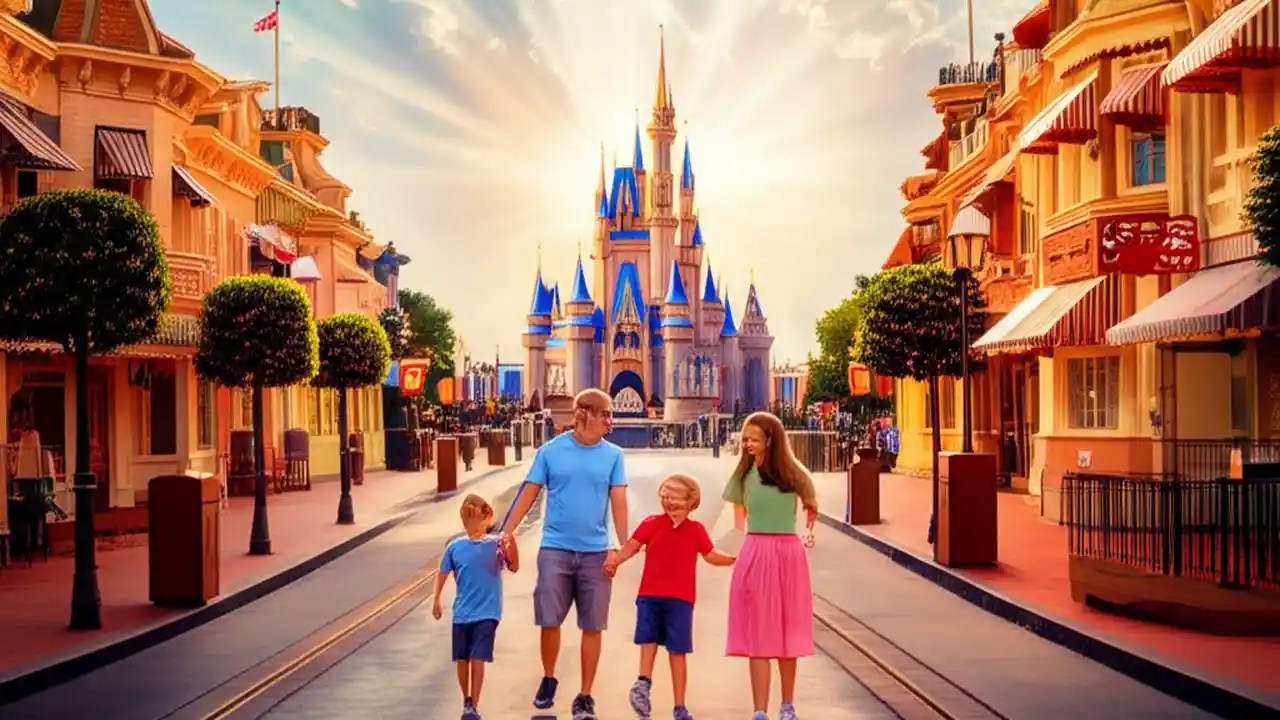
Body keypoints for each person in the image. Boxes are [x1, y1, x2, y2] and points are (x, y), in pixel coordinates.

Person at [499, 388, 629, 720]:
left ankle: (585, 695)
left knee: (593, 625)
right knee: (549, 619)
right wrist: (507, 530)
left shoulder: (613, 455)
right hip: (555, 549)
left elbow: (618, 502)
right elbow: (528, 493)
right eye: (605, 415)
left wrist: (623, 547)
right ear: (584, 414)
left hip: (595, 552)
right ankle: (549, 677)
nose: (610, 422)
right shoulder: (551, 452)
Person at [605, 474, 736, 720]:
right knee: (648, 641)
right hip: (650, 595)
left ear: (691, 502)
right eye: (665, 498)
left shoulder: (696, 530)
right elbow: (632, 546)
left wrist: (735, 561)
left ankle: (680, 706)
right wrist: (615, 562)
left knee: (678, 651)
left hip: (681, 599)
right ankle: (643, 685)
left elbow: (709, 555)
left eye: (674, 499)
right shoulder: (652, 523)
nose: (669, 503)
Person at [723, 411, 818, 720]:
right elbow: (739, 522)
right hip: (755, 551)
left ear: (770, 439)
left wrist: (809, 529)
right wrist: (733, 554)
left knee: (788, 635)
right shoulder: (742, 474)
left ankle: (787, 706)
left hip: (788, 554)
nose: (747, 443)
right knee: (758, 637)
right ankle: (759, 711)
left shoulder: (794, 473)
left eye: (753, 438)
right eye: (745, 438)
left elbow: (811, 505)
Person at [432, 494, 519, 720]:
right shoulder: (455, 547)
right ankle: (467, 700)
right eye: (468, 520)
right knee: (462, 659)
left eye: (478, 518)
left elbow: (514, 565)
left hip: (487, 613)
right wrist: (436, 599)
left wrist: (511, 541)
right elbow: (442, 573)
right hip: (462, 613)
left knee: (478, 657)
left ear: (487, 518)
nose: (473, 525)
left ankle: (474, 705)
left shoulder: (495, 545)